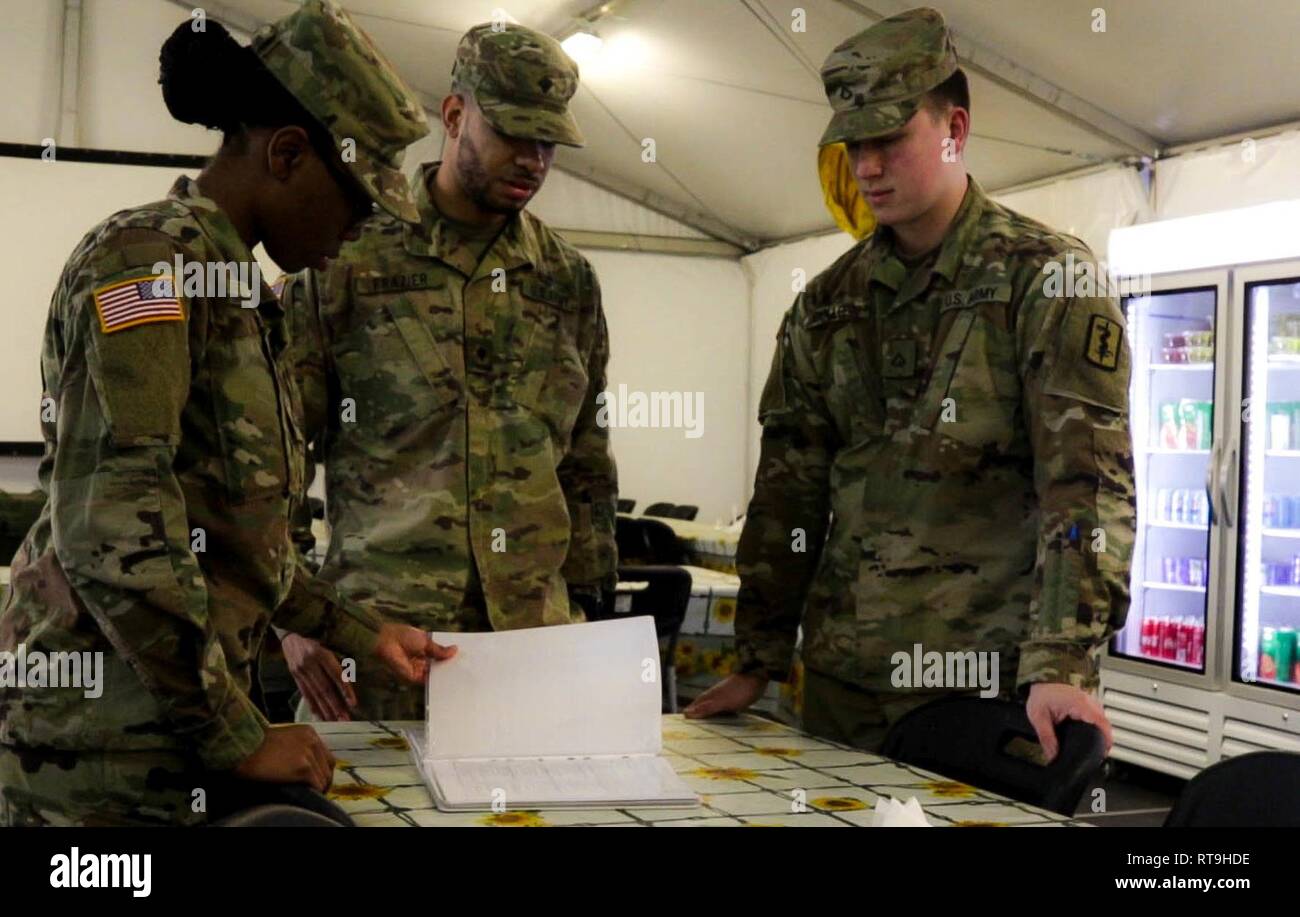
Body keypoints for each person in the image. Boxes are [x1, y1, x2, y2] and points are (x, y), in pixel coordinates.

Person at [0, 0, 452, 827]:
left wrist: (361, 628)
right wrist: (235, 733)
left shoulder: (242, 292)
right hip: (99, 755)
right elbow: (114, 529)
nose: (356, 234)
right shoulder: (149, 263)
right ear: (287, 153)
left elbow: (236, 537)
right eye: (354, 204)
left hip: (166, 735)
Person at [685, 7, 1136, 760]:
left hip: (981, 693)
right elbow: (789, 491)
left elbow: (1087, 489)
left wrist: (1062, 659)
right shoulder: (828, 304)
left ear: (954, 128)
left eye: (890, 138)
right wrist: (758, 655)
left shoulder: (1047, 280)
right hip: (841, 685)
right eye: (854, 145)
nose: (866, 167)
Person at [274, 22, 617, 722]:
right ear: (454, 116)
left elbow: (584, 460)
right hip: (379, 647)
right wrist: (289, 617)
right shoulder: (348, 256)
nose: (533, 160)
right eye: (514, 134)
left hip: (531, 649)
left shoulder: (565, 281)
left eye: (548, 142)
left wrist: (595, 611)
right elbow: (275, 454)